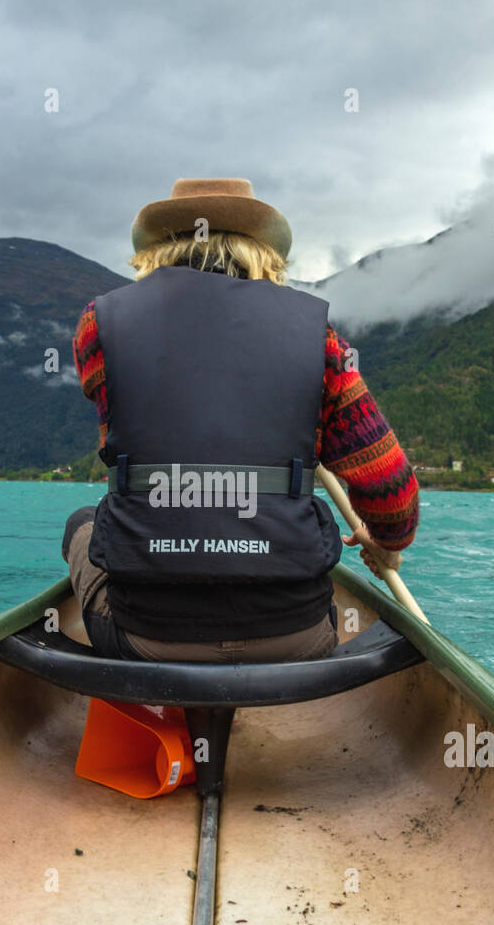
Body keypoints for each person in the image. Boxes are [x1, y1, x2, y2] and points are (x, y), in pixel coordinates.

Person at [62, 177, 419, 663]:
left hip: (148, 636)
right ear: (262, 251)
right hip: (297, 635)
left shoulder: (98, 324)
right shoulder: (319, 337)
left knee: (81, 524)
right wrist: (388, 544)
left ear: (160, 248)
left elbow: (126, 427)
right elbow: (391, 489)